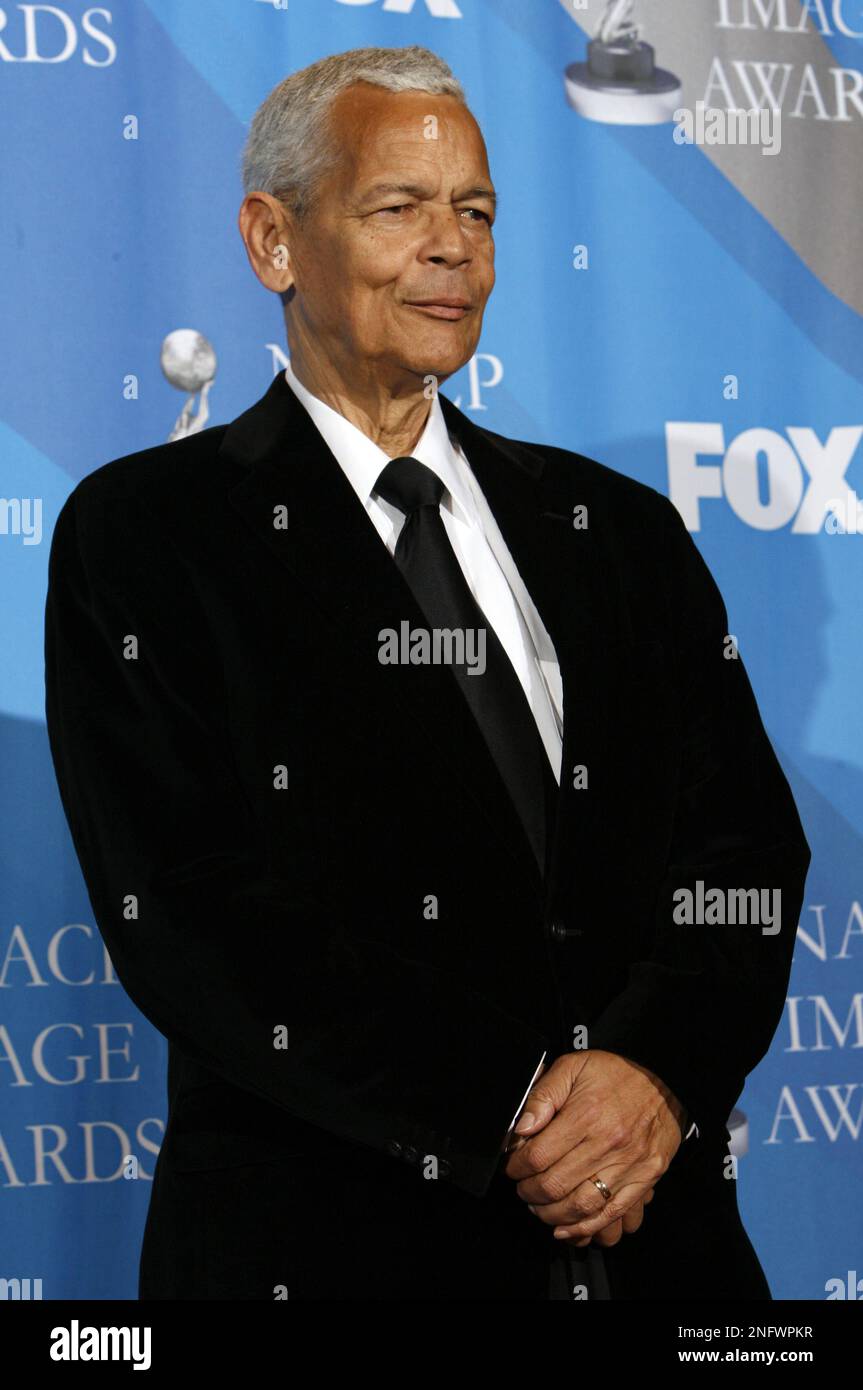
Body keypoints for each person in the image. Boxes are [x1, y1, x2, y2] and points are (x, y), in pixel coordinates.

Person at [44, 44, 810, 1301]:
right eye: (398, 207)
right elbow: (188, 908)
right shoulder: (149, 535)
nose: (451, 247)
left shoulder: (611, 528)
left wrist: (651, 1076)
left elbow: (740, 852)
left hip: (656, 1252)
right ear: (272, 241)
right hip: (337, 1256)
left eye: (477, 212)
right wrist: (514, 1108)